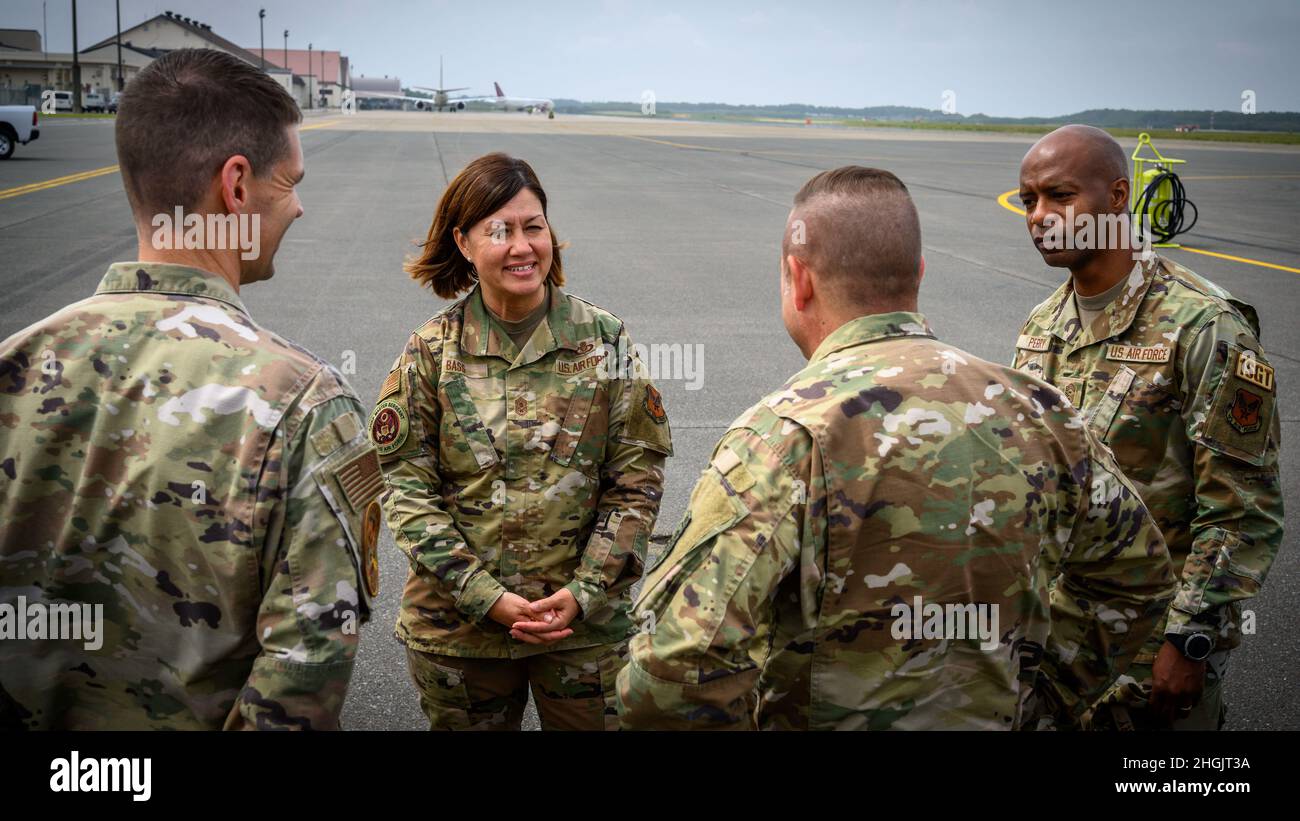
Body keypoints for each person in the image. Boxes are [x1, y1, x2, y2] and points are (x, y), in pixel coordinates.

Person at [616, 166, 1175, 730]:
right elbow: (1139, 577)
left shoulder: (784, 438)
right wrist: (1043, 696)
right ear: (919, 274)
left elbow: (672, 673)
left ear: (798, 278)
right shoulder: (1044, 412)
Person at [0, 49, 378, 730]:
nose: (299, 207)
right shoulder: (303, 404)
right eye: (289, 182)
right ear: (235, 186)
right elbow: (299, 685)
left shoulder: (13, 365)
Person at [372, 152, 672, 730]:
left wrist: (586, 591)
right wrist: (485, 595)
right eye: (500, 230)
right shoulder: (432, 352)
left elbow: (636, 481)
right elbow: (406, 493)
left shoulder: (603, 341)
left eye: (534, 227)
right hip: (461, 636)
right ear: (464, 243)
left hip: (583, 631)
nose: (522, 246)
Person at [1012, 125, 1284, 730]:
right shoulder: (1042, 325)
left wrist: (1191, 642)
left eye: (1059, 196)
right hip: (1059, 638)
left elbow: (1242, 509)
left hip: (1154, 644)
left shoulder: (1204, 327)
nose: (1039, 216)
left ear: (1116, 197)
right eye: (1028, 199)